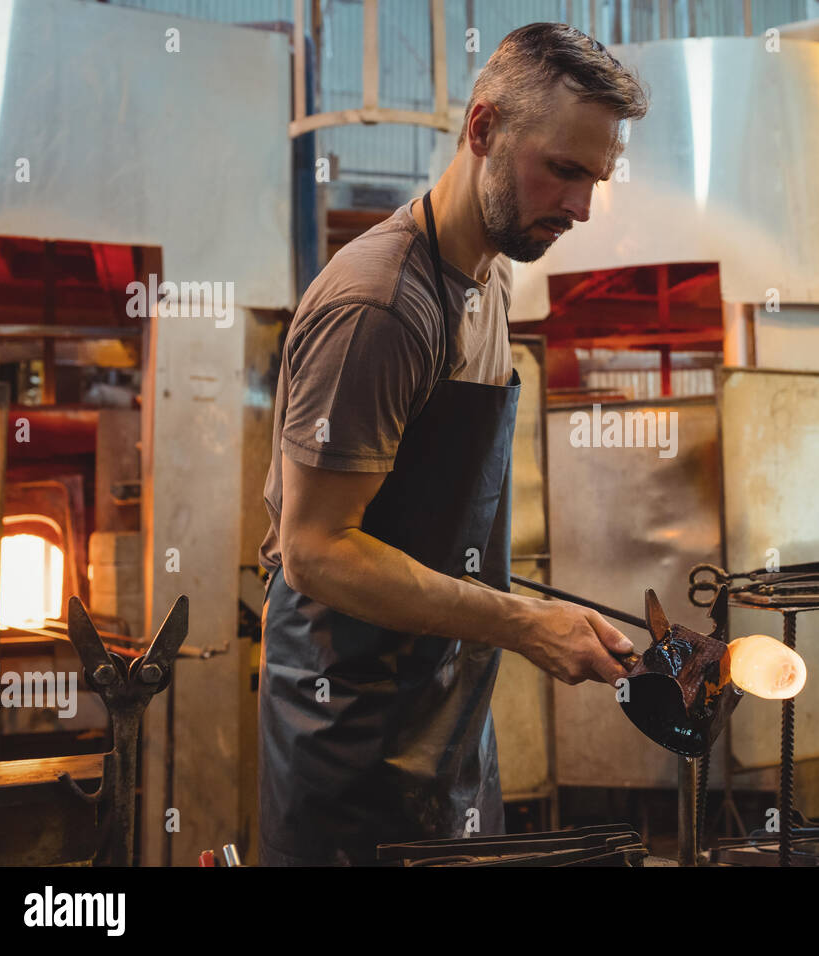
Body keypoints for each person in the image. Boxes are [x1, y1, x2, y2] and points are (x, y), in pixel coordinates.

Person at [255, 24, 650, 865]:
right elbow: (315, 551)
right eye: (566, 170)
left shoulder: (491, 273)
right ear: (483, 130)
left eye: (597, 179)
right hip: (349, 714)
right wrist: (522, 624)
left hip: (445, 691)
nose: (582, 208)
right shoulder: (381, 307)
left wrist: (539, 615)